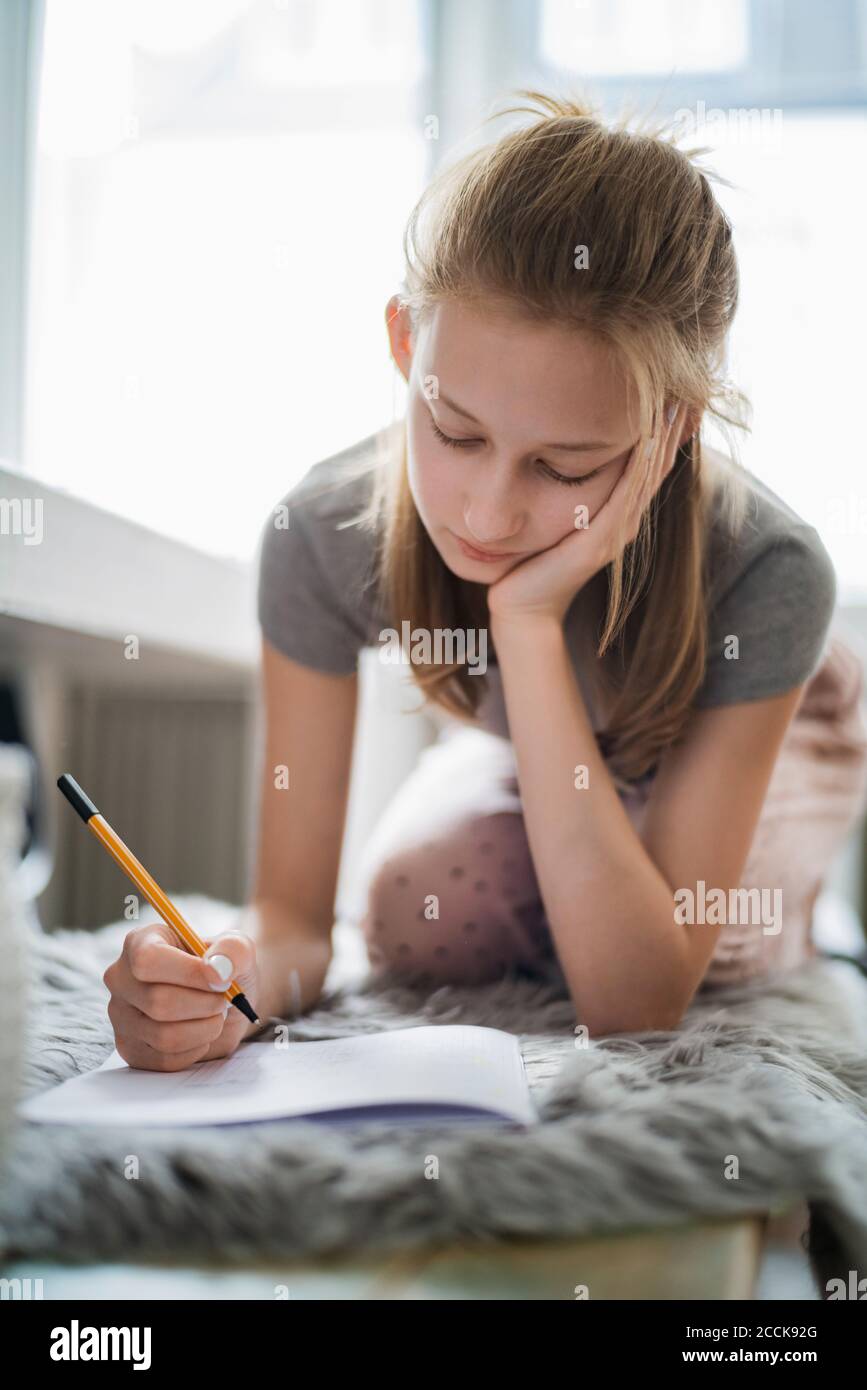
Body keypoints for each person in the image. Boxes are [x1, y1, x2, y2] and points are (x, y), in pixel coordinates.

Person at [102, 91, 867, 1069]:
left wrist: (530, 618)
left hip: (775, 730)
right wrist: (225, 984)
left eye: (564, 467)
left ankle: (808, 912)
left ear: (672, 430)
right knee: (416, 914)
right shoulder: (319, 535)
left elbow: (634, 1004)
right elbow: (295, 920)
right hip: (562, 731)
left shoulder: (769, 569)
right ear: (404, 344)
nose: (487, 513)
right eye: (456, 433)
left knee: (716, 947)